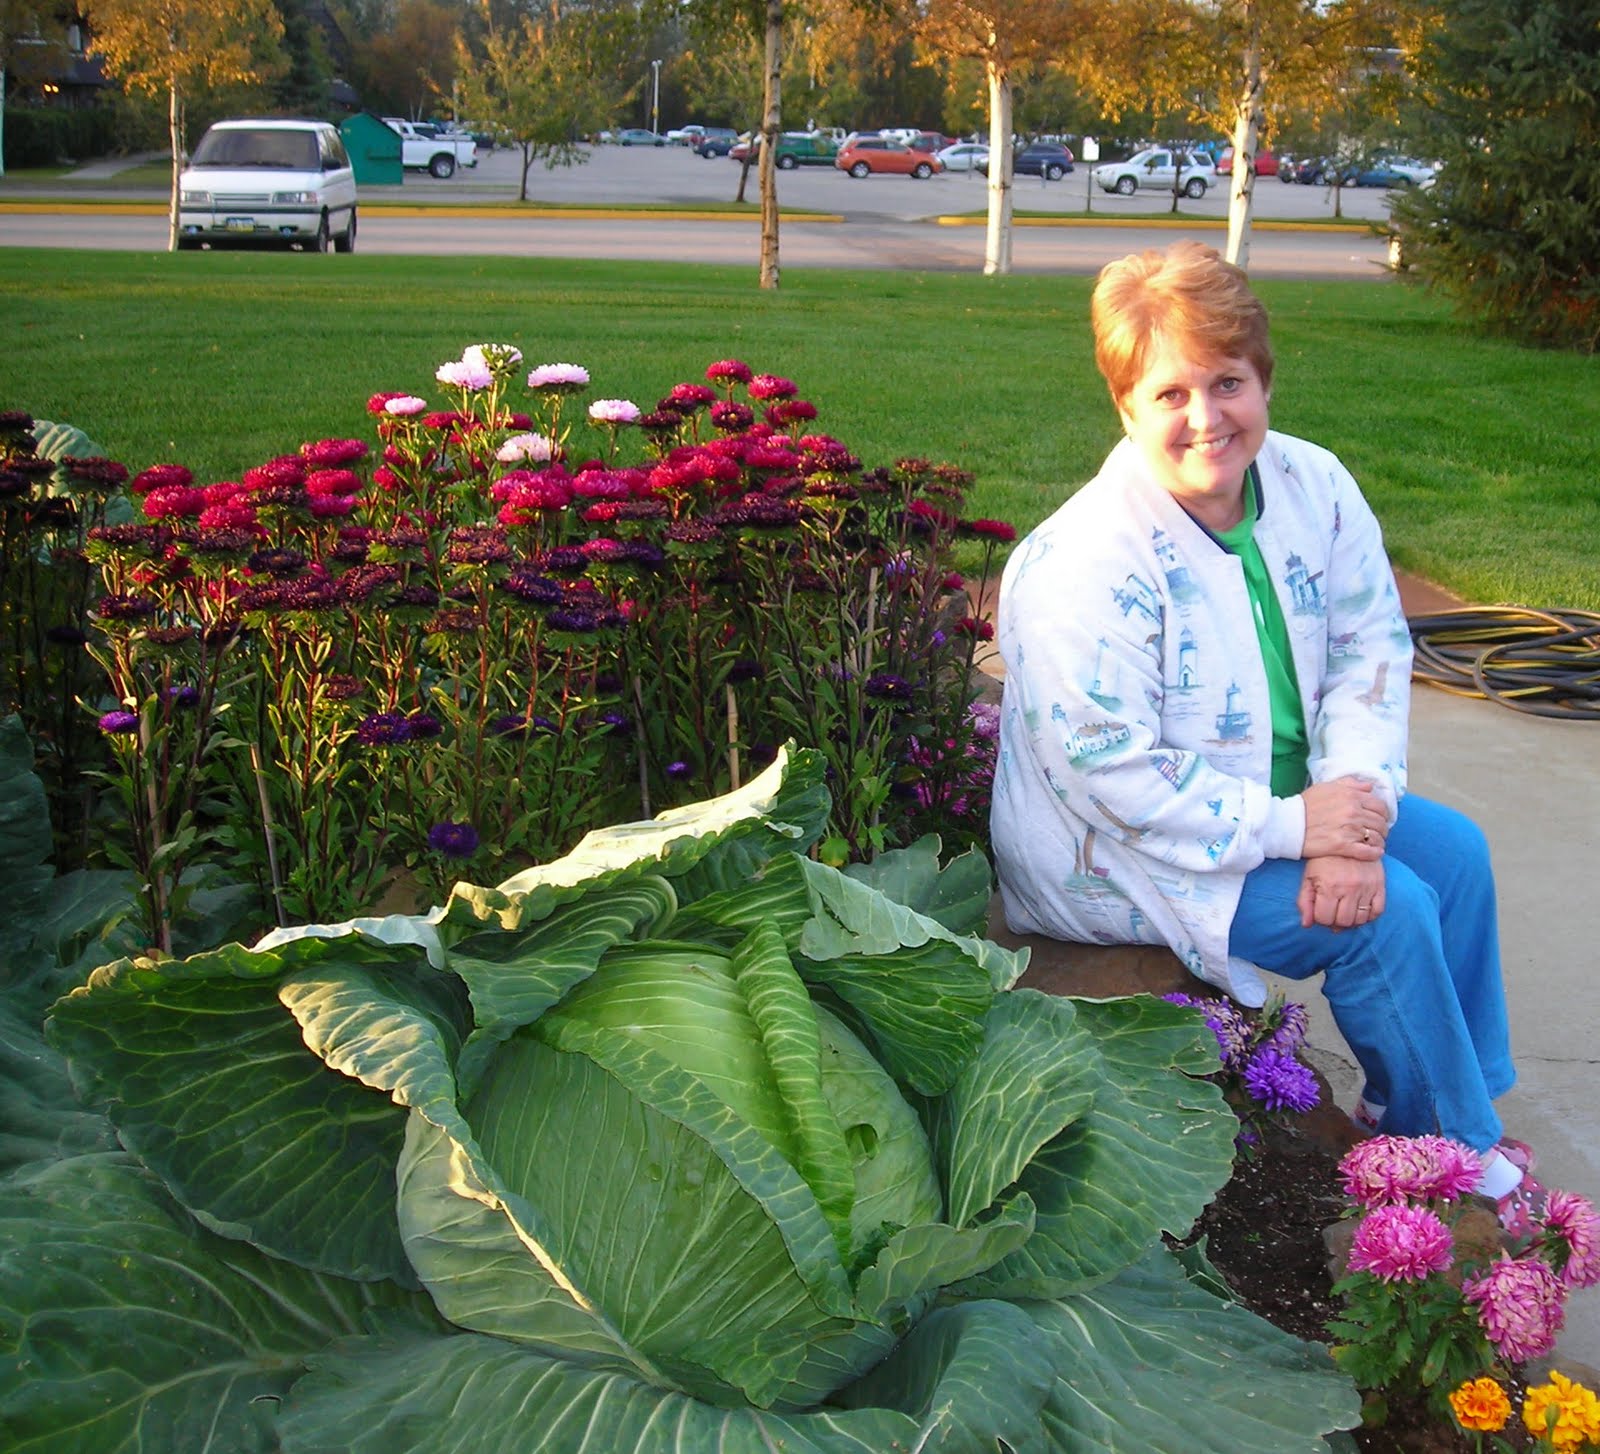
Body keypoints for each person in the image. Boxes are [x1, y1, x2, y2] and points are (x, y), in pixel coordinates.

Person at [989, 240, 1543, 1232]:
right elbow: (1107, 772)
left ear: (1264, 380)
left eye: (1227, 382)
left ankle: (1437, 1104)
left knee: (1452, 856)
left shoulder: (1312, 485)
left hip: (1287, 795)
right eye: (1170, 392)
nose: (1206, 417)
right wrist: (1297, 830)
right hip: (1116, 853)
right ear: (1124, 404)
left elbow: (1368, 649)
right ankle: (1445, 1154)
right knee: (1382, 918)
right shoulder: (1083, 562)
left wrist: (1351, 815)